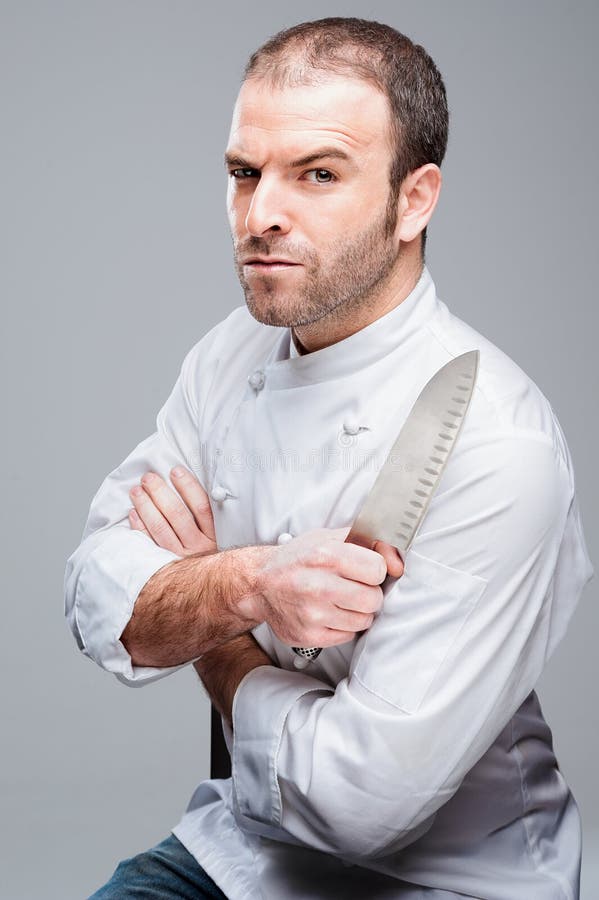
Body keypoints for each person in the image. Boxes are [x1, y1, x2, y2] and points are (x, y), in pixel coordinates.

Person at [64, 16, 594, 900]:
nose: (260, 215)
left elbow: (359, 805)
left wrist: (212, 628)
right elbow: (94, 593)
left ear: (413, 200)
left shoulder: (499, 444)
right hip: (240, 849)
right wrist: (247, 585)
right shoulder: (228, 355)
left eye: (317, 173)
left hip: (453, 881)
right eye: (245, 172)